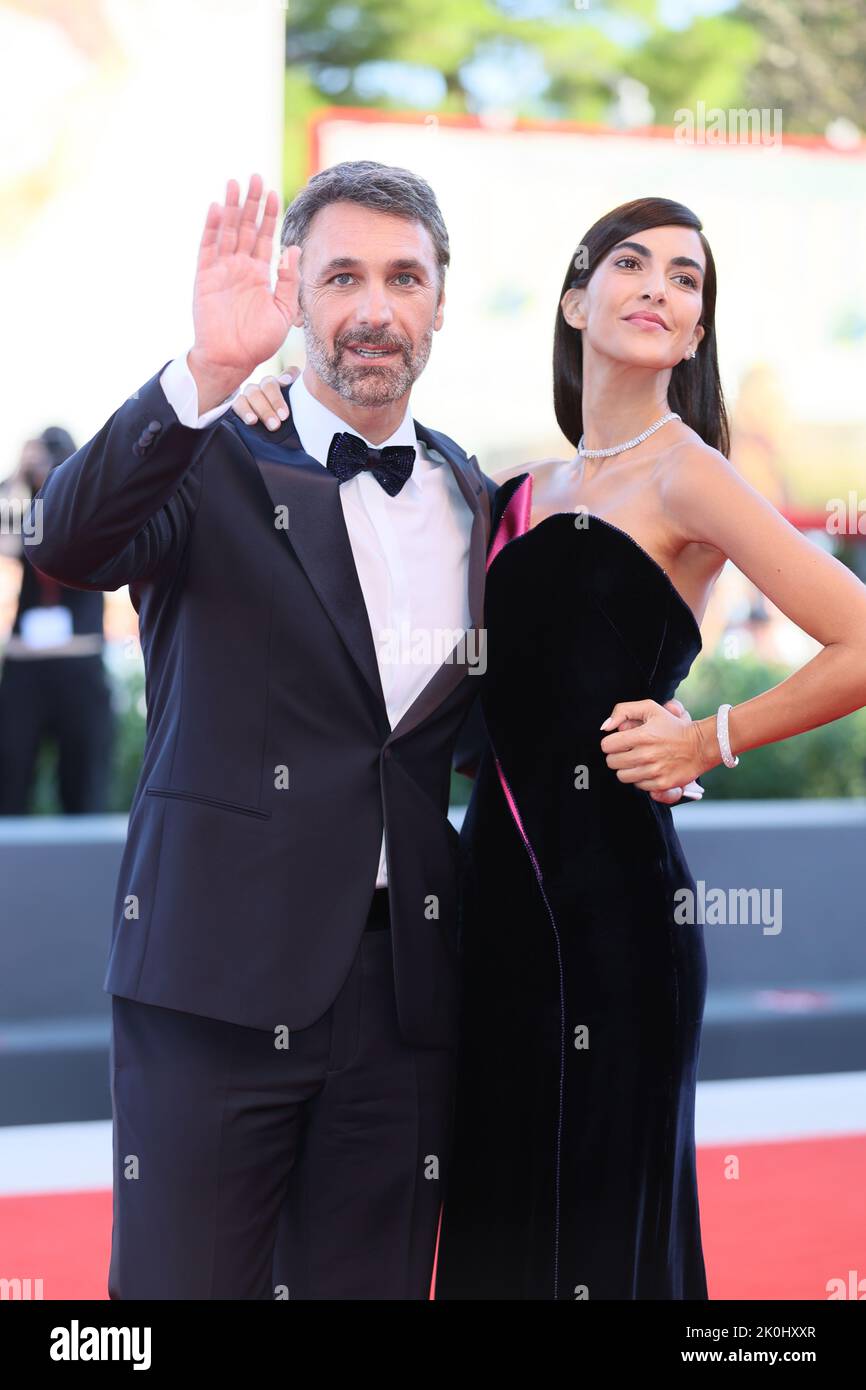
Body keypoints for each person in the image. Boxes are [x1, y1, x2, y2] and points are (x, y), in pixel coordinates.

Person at [239, 194, 866, 1301]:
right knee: (493, 1211)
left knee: (593, 1228)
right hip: (490, 912)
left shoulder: (692, 472)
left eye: (686, 279)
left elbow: (856, 637)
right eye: (631, 263)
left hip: (611, 914)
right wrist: (264, 398)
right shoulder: (517, 487)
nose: (658, 290)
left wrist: (710, 736)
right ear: (576, 299)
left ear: (694, 328)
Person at [0, 428, 114, 814]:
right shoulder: (19, 504)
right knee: (10, 782)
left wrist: (57, 481)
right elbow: (8, 543)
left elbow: (86, 543)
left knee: (83, 786)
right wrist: (18, 478)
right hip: (25, 663)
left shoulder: (87, 500)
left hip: (78, 660)